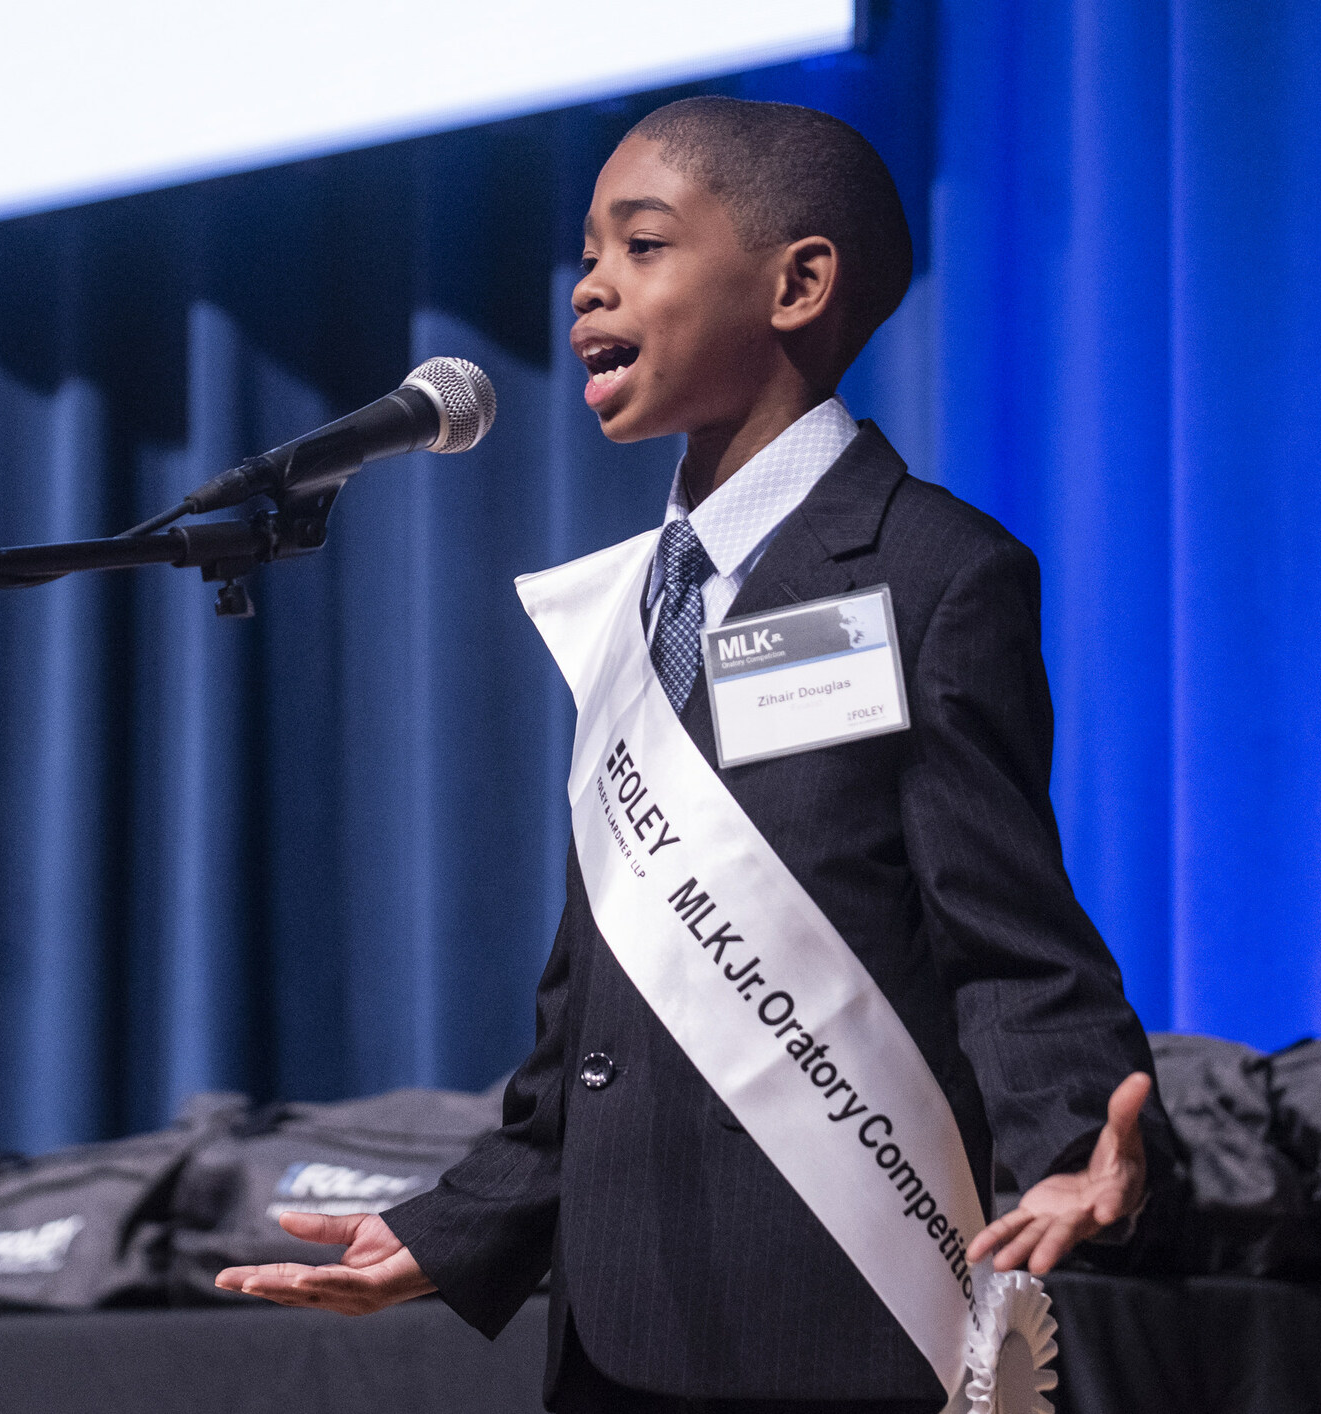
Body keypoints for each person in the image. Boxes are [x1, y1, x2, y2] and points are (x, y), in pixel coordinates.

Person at [216, 97, 1171, 1414]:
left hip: (835, 1312)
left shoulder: (928, 570)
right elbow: (600, 1005)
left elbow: (1006, 936)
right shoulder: (636, 600)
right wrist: (463, 1224)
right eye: (587, 253)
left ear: (798, 285)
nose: (589, 285)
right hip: (617, 1327)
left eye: (643, 243)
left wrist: (1075, 1143)